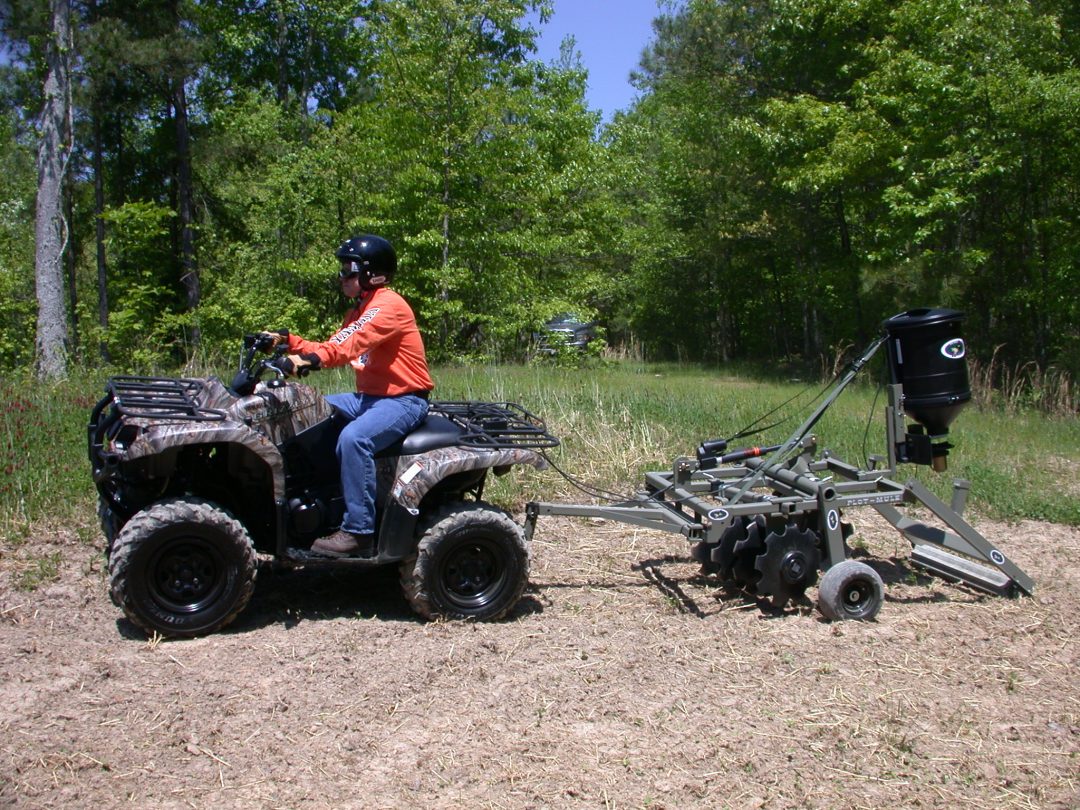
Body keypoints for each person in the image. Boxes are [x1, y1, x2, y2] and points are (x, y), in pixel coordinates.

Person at [262, 234, 434, 557]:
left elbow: (344, 348)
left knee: (355, 439)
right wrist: (288, 342)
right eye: (343, 269)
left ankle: (358, 532)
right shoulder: (359, 311)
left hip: (403, 400)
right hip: (368, 397)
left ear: (372, 274)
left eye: (350, 270)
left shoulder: (388, 306)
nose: (342, 276)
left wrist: (308, 360)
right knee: (310, 412)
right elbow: (335, 343)